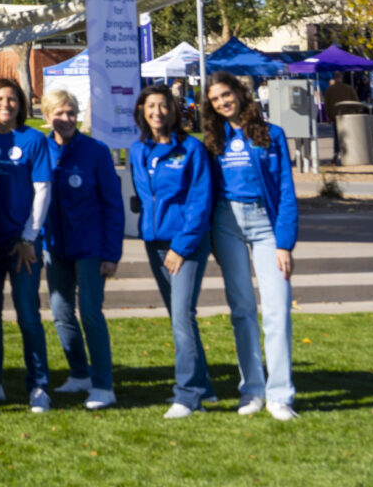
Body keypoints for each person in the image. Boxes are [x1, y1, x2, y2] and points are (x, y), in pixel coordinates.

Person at [204, 73, 301, 421]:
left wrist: (284, 243)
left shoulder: (271, 134)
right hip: (226, 223)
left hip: (266, 225)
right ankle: (253, 391)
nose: (222, 103)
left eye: (226, 95)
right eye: (215, 99)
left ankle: (280, 395)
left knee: (278, 310)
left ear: (240, 93)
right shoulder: (213, 140)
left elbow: (286, 191)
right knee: (242, 310)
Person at [129, 84, 215, 418]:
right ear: (141, 111)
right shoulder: (139, 151)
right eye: (150, 106)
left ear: (174, 110)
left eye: (163, 106)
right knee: (180, 318)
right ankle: (205, 388)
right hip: (155, 243)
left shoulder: (191, 149)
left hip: (186, 243)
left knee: (182, 316)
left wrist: (181, 247)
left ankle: (188, 396)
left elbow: (200, 200)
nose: (156, 112)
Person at [40, 87, 125, 411]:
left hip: (90, 247)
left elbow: (113, 205)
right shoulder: (42, 149)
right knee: (61, 313)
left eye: (70, 112)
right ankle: (79, 373)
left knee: (90, 313)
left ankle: (104, 384)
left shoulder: (96, 151)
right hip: (54, 247)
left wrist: (111, 253)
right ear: (47, 117)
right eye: (58, 113)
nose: (65, 119)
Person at [0, 77, 54, 411]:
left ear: (21, 104)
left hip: (23, 244)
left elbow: (42, 191)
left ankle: (39, 385)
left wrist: (28, 238)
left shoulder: (34, 139)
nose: (5, 105)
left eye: (11, 99)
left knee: (28, 315)